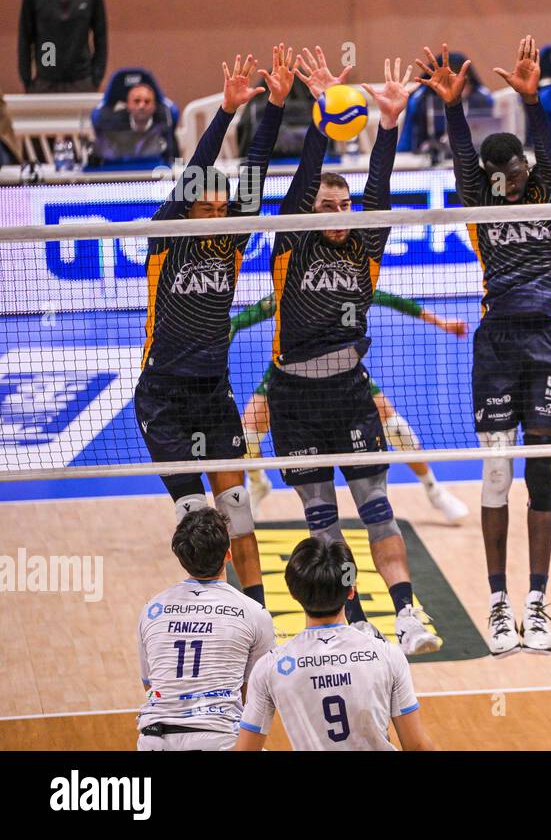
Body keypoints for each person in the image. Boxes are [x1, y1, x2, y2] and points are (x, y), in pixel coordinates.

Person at [264, 48, 442, 656]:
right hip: (294, 397)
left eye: (344, 206)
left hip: (348, 393)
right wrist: (319, 118)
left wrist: (387, 125)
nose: (339, 214)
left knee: (378, 510)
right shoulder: (290, 246)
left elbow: (379, 187)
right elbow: (300, 189)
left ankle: (407, 617)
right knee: (321, 521)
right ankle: (357, 618)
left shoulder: (365, 243)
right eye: (327, 207)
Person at [416, 38, 551, 658]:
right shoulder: (479, 203)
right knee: (496, 470)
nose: (504, 184)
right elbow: (460, 159)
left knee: (541, 471)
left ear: (527, 173)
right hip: (497, 344)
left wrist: (532, 102)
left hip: (549, 342)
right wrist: (452, 109)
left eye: (512, 175)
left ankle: (537, 601)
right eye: (493, 177)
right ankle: (498, 603)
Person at [134, 46, 293, 607]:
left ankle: (257, 613)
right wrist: (224, 113)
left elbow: (255, 170)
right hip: (162, 399)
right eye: (208, 196)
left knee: (238, 513)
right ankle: (215, 612)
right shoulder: (164, 239)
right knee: (196, 525)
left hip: (211, 393)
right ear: (189, 201)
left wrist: (273, 104)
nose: (220, 202)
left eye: (226, 200)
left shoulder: (230, 243)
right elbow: (200, 170)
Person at [230, 289, 470, 522]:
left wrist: (442, 322)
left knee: (398, 430)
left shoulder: (348, 285)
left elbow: (392, 300)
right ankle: (257, 481)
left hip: (342, 373)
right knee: (246, 438)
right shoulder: (289, 292)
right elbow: (240, 320)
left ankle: (434, 491)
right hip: (288, 374)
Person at [235, 537, 433, 751]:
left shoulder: (269, 667)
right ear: (351, 591)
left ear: (293, 593)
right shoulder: (387, 655)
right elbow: (418, 746)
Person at [136, 507, 276, 751]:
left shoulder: (152, 610)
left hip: (154, 740)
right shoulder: (254, 613)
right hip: (220, 738)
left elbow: (151, 686)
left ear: (182, 559)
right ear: (229, 554)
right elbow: (257, 693)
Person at [92, 80, 179, 163]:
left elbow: (177, 159)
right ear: (128, 105)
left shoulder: (165, 126)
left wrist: (180, 171)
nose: (142, 106)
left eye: (147, 102)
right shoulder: (112, 126)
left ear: (154, 107)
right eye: (137, 101)